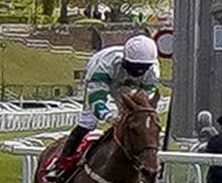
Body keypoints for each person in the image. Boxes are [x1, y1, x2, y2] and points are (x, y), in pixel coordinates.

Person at [55, 32, 160, 172]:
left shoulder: (152, 71)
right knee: (88, 121)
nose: (138, 71)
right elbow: (96, 99)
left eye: (143, 68)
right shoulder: (104, 65)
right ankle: (61, 163)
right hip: (104, 79)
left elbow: (145, 103)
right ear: (125, 60)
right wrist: (108, 116)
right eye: (133, 66)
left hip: (128, 87)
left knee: (136, 119)